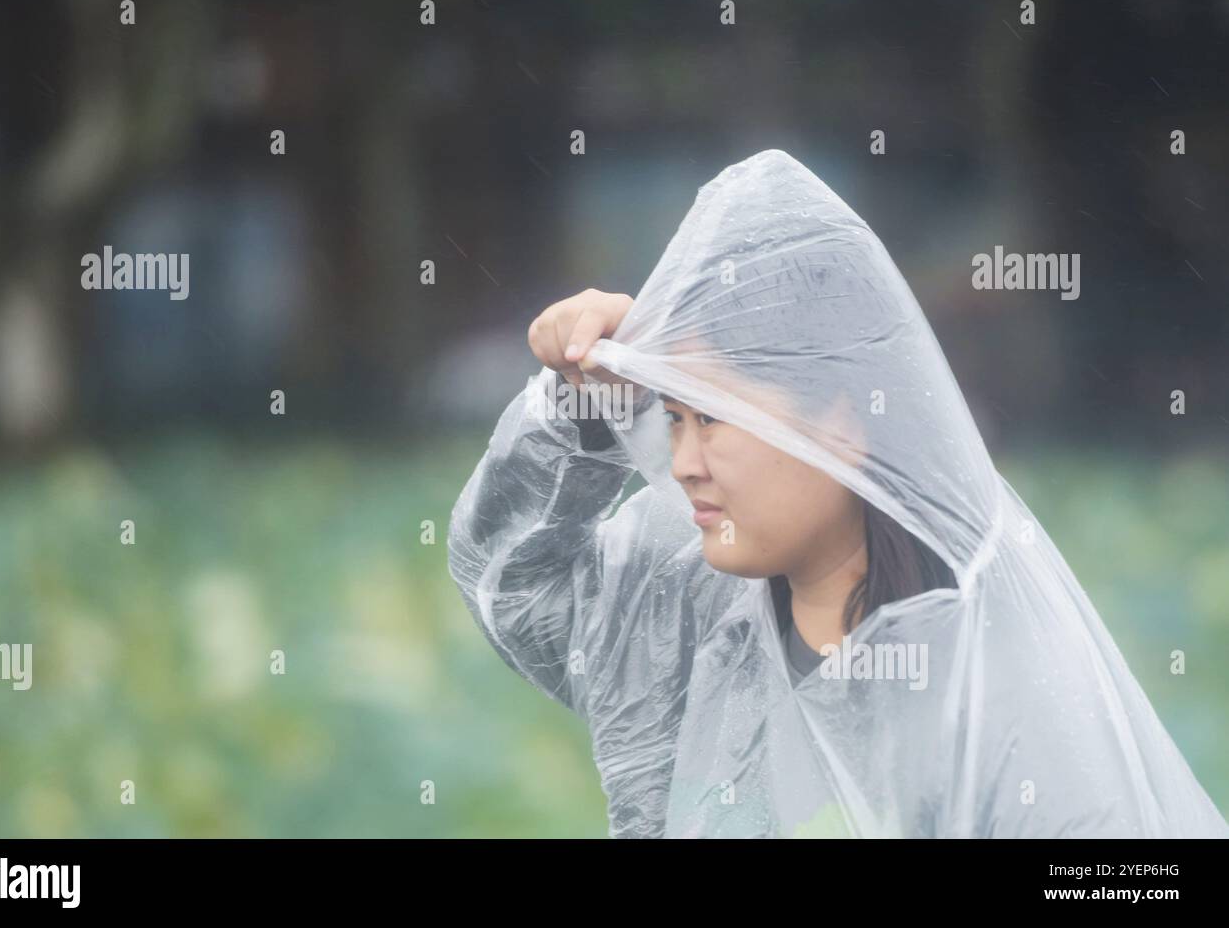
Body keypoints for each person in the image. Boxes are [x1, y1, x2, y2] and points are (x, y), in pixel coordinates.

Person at [447, 149, 1229, 838]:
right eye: (673, 417)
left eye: (713, 416)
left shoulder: (1001, 695)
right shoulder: (686, 595)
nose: (682, 461)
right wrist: (580, 403)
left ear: (845, 420)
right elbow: (515, 585)